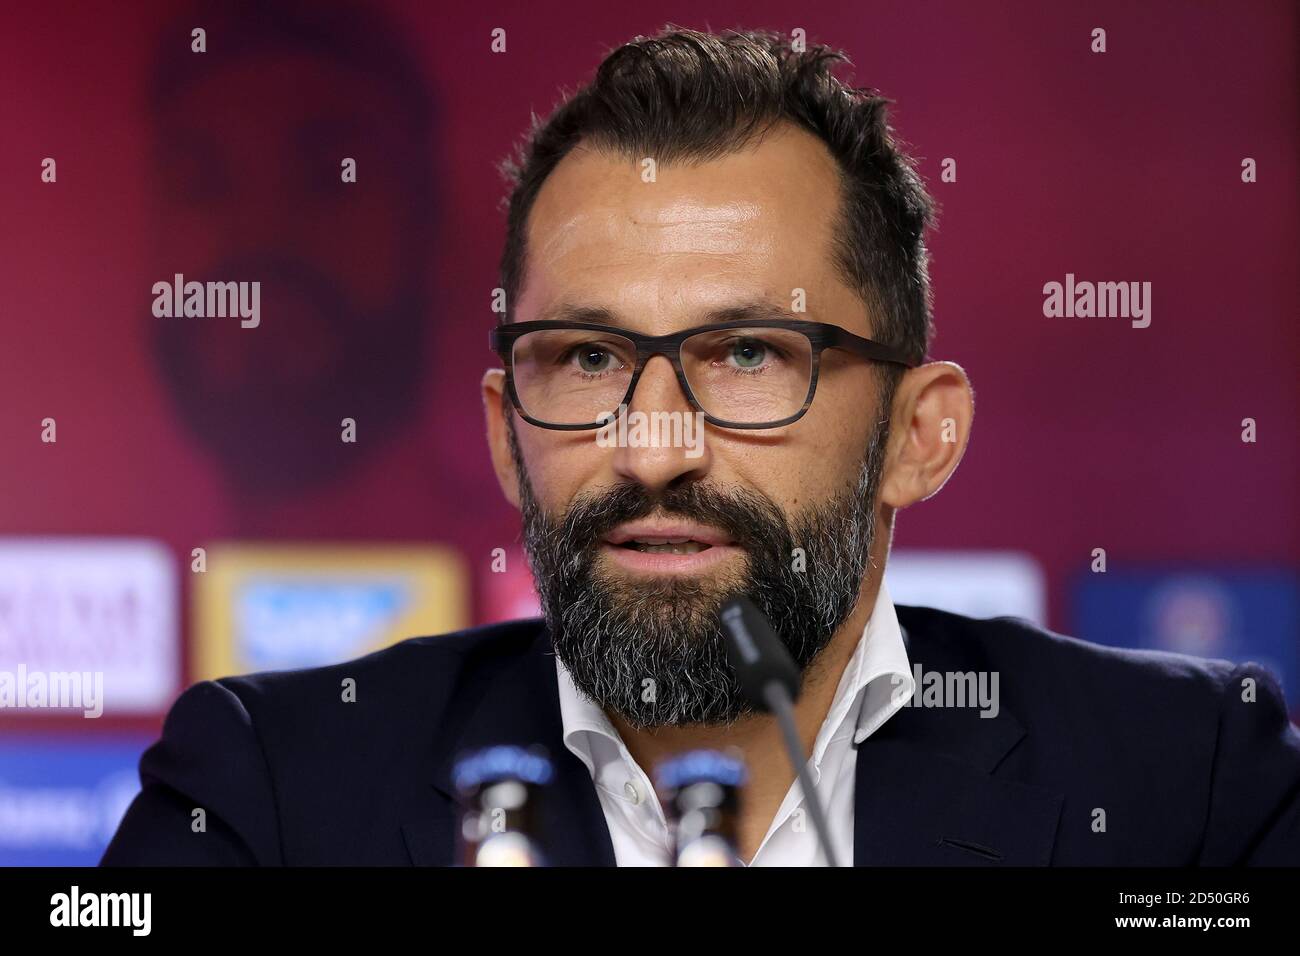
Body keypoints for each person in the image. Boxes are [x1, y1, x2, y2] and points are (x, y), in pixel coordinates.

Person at [103, 27, 1300, 867]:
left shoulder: (1186, 780)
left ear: (918, 433)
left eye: (745, 355)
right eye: (584, 358)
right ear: (504, 435)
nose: (654, 446)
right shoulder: (268, 789)